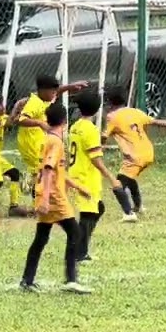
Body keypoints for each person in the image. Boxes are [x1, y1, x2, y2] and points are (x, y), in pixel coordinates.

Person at [19, 102, 92, 294]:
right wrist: (46, 200)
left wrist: (78, 187)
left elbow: (57, 171)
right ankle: (71, 279)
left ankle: (27, 280)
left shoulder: (46, 139)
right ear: (65, 122)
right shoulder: (56, 142)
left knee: (41, 238)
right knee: (75, 233)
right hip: (54, 197)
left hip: (45, 192)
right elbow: (49, 169)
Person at [103, 86, 166, 221]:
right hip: (148, 152)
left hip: (135, 156)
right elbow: (154, 121)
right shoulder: (134, 112)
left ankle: (129, 214)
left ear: (109, 102)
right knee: (130, 178)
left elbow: (104, 137)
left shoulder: (112, 117)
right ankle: (138, 207)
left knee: (117, 185)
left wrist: (95, 146)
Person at [11, 75, 89, 199]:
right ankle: (35, 195)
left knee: (45, 171)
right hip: (30, 145)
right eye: (52, 92)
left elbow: (56, 92)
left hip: (40, 143)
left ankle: (32, 183)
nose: (55, 94)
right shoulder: (34, 102)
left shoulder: (45, 98)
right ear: (43, 91)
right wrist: (40, 123)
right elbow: (21, 119)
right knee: (43, 172)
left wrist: (70, 87)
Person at [69, 91, 120, 261]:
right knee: (88, 214)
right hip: (85, 176)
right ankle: (79, 251)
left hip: (78, 172)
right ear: (97, 109)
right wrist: (112, 178)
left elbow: (87, 149)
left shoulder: (75, 126)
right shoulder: (90, 129)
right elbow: (96, 160)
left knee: (97, 209)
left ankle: (81, 247)